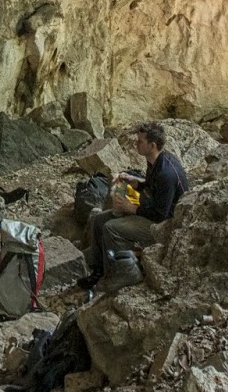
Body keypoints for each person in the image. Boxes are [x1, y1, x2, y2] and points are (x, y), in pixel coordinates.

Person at [77, 121, 189, 292]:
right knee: (99, 220)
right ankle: (100, 269)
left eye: (140, 142)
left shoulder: (167, 173)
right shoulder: (157, 160)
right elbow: (152, 185)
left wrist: (132, 208)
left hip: (165, 224)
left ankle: (127, 272)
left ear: (152, 145)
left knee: (111, 228)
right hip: (155, 210)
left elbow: (161, 215)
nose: (136, 144)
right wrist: (135, 182)